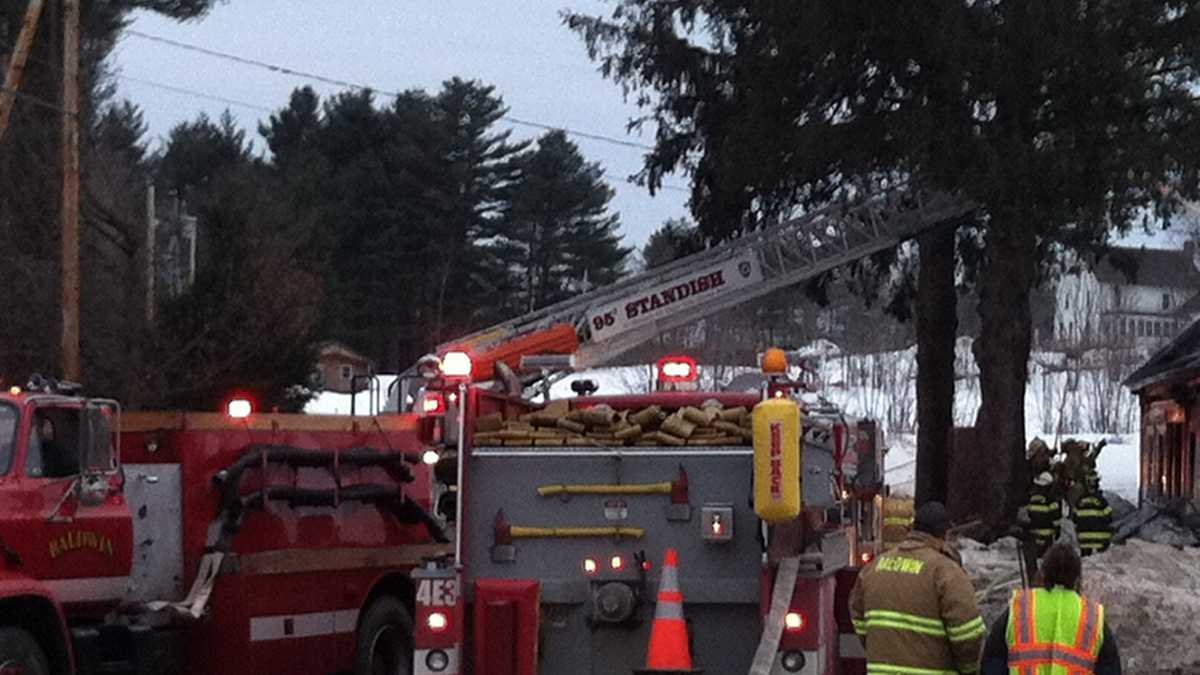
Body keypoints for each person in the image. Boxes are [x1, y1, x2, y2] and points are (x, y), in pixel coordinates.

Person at [850, 501, 985, 674]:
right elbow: (967, 633)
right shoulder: (945, 572)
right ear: (944, 534)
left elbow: (859, 618)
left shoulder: (874, 568)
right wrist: (969, 669)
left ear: (912, 528)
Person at [981, 543, 1121, 674]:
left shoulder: (1020, 608)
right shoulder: (1092, 616)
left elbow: (993, 661)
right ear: (1077, 578)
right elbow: (1110, 668)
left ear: (1044, 573)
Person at [1073, 476, 1114, 557]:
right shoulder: (1101, 500)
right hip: (1100, 539)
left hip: (1084, 540)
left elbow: (1074, 519)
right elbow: (1109, 518)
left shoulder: (1079, 501)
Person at [1026, 471, 1061, 558]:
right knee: (1046, 558)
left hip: (1034, 534)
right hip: (1047, 536)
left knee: (1035, 557)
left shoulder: (1031, 498)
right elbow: (1056, 517)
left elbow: (1028, 515)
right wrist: (1057, 529)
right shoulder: (1051, 500)